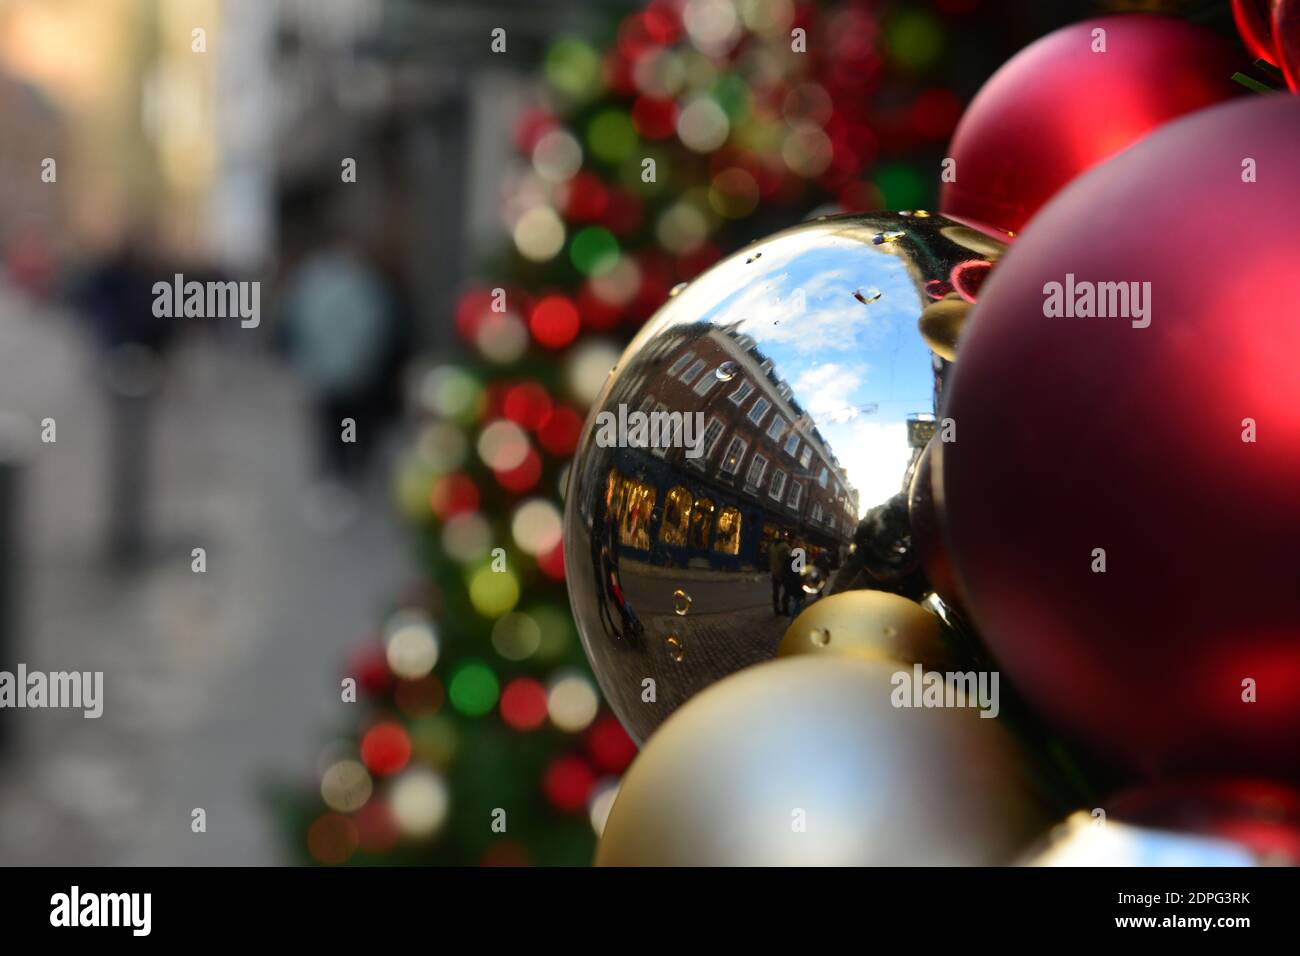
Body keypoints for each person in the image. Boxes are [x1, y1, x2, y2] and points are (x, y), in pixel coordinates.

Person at [770, 532, 791, 616]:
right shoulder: (785, 547)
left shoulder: (772, 545)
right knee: (787, 591)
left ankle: (776, 609)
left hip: (774, 572)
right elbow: (789, 560)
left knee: (776, 592)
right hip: (783, 573)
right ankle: (785, 609)